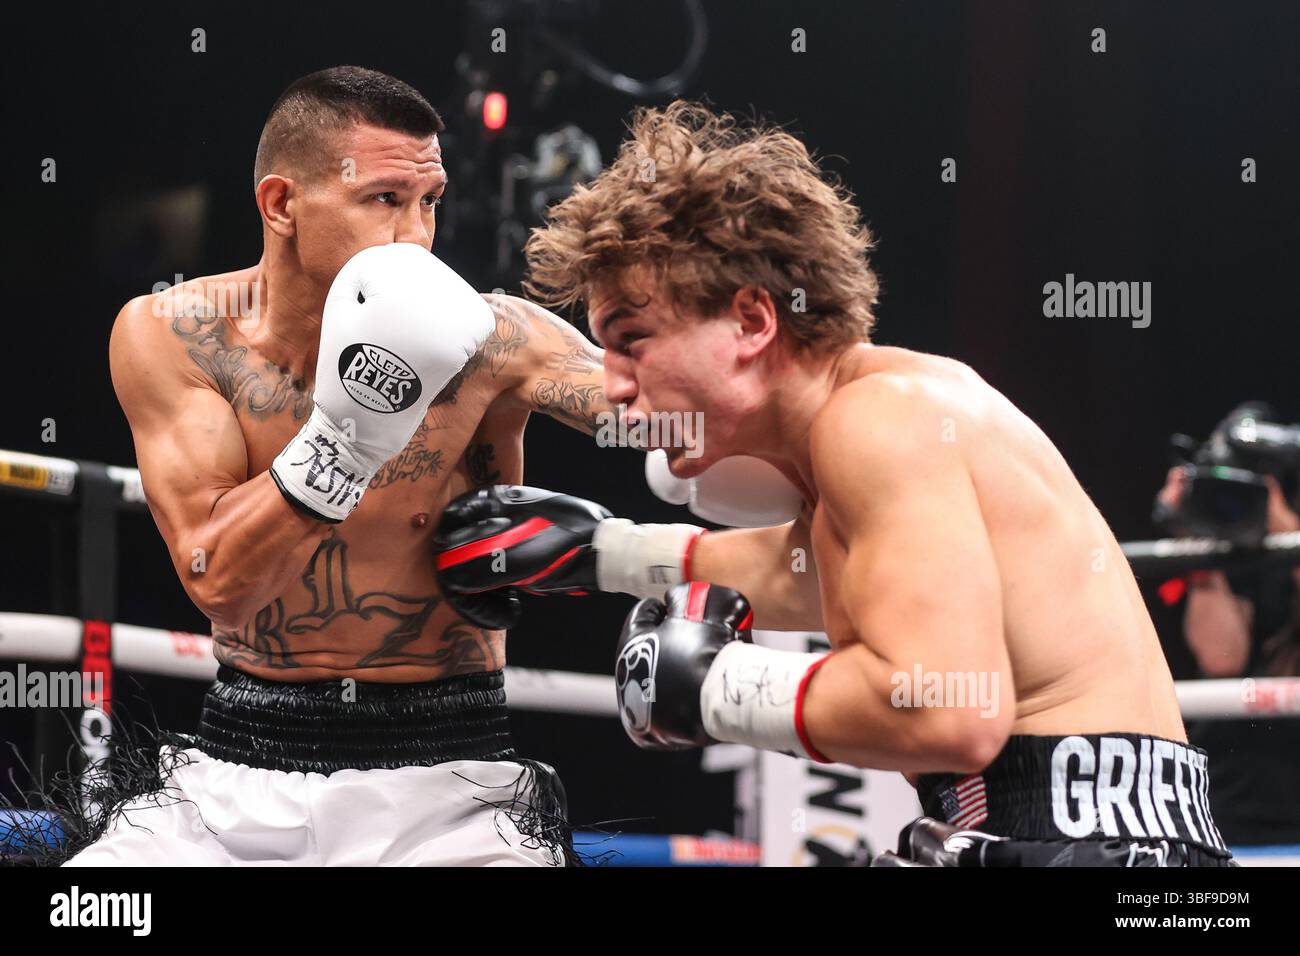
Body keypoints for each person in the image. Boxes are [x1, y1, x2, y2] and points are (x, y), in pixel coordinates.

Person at [432, 101, 1234, 866]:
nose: (611, 385)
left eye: (632, 340)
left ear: (752, 321)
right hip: (1062, 825)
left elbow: (951, 714)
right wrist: (604, 552)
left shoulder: (878, 421)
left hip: (1082, 836)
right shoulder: (870, 426)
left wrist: (719, 688)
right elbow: (813, 574)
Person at [61, 66, 611, 866]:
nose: (417, 236)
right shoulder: (177, 335)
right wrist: (349, 436)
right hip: (235, 783)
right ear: (282, 204)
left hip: (449, 791)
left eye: (429, 201)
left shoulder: (495, 338)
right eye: (385, 199)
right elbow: (219, 580)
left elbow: (680, 422)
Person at [1155, 459, 1300, 847]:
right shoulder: (1205, 562)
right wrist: (1196, 537)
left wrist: (1289, 534)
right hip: (1226, 807)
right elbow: (1222, 658)